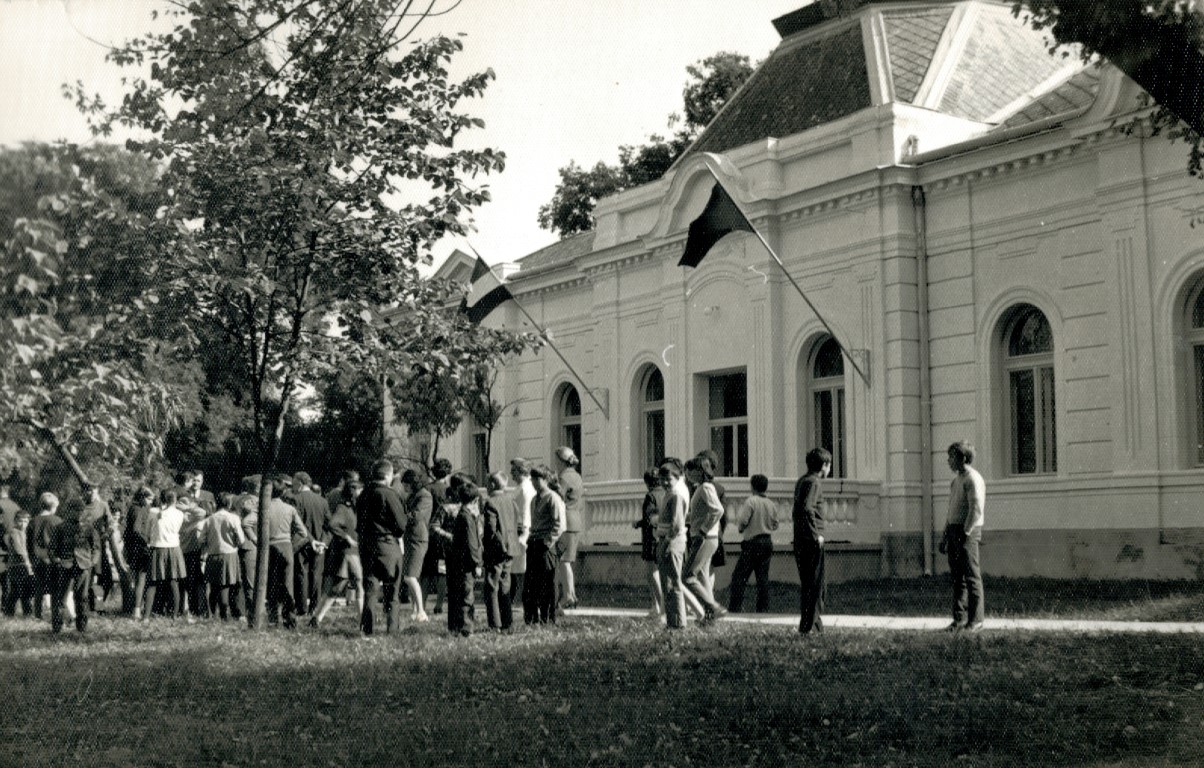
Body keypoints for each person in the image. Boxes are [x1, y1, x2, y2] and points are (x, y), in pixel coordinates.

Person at [356, 459, 407, 635]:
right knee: (392, 591)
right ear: (388, 475)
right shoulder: (389, 494)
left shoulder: (363, 494)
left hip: (367, 545)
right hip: (387, 545)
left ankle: (366, 629)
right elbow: (401, 525)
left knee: (370, 590)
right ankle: (392, 629)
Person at [941, 441, 986, 632]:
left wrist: (965, 533)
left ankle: (976, 620)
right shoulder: (956, 480)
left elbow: (975, 509)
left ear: (963, 458)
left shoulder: (972, 479)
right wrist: (945, 535)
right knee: (957, 578)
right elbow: (951, 511)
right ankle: (959, 619)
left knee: (971, 576)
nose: (948, 461)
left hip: (967, 532)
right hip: (953, 531)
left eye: (952, 456)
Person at [310, 478, 364, 628]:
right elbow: (332, 524)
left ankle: (316, 618)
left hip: (353, 552)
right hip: (348, 553)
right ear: (353, 491)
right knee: (350, 586)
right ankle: (362, 622)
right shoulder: (343, 508)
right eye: (359, 490)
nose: (362, 493)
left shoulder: (355, 508)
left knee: (342, 587)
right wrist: (346, 537)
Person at [727, 474, 779, 613]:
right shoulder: (770, 503)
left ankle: (735, 607)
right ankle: (763, 609)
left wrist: (741, 529)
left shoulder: (751, 501)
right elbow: (775, 524)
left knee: (739, 576)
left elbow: (743, 520)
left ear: (752, 486)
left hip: (752, 542)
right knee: (762, 578)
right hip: (767, 541)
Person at [683, 458, 727, 623]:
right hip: (706, 538)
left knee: (687, 576)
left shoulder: (705, 487)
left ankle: (714, 607)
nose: (687, 474)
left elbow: (717, 510)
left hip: (704, 538)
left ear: (699, 471)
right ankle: (710, 617)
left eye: (690, 470)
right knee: (702, 577)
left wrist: (702, 530)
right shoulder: (700, 488)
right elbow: (698, 515)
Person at [47, 500, 102, 633]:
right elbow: (52, 549)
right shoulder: (60, 528)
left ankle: (81, 628)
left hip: (83, 567)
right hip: (65, 567)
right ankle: (57, 628)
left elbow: (96, 548)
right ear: (69, 511)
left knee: (82, 598)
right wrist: (57, 561)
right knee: (60, 598)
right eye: (75, 510)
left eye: (81, 511)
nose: (78, 513)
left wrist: (92, 562)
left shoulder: (89, 529)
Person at [263, 474, 309, 629]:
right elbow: (303, 533)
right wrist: (292, 546)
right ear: (283, 493)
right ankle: (289, 620)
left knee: (271, 584)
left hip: (269, 547)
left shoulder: (264, 508)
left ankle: (272, 619)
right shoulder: (290, 509)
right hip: (286, 547)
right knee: (288, 585)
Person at [793, 447, 831, 635]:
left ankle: (811, 626)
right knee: (816, 586)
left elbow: (797, 511)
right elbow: (808, 509)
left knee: (808, 585)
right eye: (828, 465)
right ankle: (811, 627)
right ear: (824, 465)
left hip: (800, 540)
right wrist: (816, 535)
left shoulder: (802, 481)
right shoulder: (815, 482)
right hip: (812, 541)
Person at [524, 464, 564, 625]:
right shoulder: (534, 499)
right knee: (531, 584)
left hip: (545, 545)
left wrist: (548, 541)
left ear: (546, 479)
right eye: (532, 479)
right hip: (533, 542)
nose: (534, 482)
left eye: (537, 479)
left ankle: (548, 618)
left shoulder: (552, 498)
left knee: (547, 583)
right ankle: (533, 618)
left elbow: (559, 524)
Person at [139, 489, 186, 621]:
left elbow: (148, 532)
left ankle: (146, 617)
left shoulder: (153, 512)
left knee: (152, 583)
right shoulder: (180, 514)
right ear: (175, 500)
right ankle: (174, 616)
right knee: (173, 581)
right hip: (173, 548)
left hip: (158, 548)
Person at [446, 480, 484, 636]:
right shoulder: (467, 517)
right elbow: (471, 543)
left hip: (457, 561)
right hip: (466, 563)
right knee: (467, 596)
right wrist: (477, 563)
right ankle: (466, 628)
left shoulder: (461, 514)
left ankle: (455, 626)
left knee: (457, 594)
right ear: (475, 500)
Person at [655, 458, 690, 629]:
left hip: (672, 542)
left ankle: (678, 624)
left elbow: (677, 524)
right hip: (667, 540)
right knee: (667, 585)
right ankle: (673, 622)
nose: (665, 483)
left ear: (677, 478)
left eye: (668, 479)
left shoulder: (676, 495)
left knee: (673, 585)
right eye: (662, 479)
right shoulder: (669, 494)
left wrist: (665, 542)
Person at [482, 472, 518, 632]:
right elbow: (517, 523)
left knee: (491, 585)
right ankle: (507, 622)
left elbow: (490, 528)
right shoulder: (511, 501)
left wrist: (487, 545)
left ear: (492, 484)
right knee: (505, 584)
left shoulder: (490, 502)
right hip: (510, 548)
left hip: (496, 549)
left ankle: (495, 624)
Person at [291, 472, 330, 617]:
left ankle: (302, 607)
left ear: (300, 483)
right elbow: (329, 525)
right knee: (317, 575)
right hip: (320, 543)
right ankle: (314, 607)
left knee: (302, 573)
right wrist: (323, 542)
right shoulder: (323, 501)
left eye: (294, 483)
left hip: (303, 542)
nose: (293, 487)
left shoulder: (295, 500)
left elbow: (298, 524)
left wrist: (311, 540)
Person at [203, 492, 246, 621]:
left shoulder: (210, 519)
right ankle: (224, 614)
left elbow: (201, 539)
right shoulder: (233, 518)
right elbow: (241, 539)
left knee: (215, 586)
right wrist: (234, 543)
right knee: (227, 585)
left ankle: (212, 613)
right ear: (229, 503)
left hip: (213, 554)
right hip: (229, 554)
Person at [554, 446, 584, 610]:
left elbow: (559, 499)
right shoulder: (577, 476)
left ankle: (568, 596)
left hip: (566, 520)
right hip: (576, 519)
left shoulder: (563, 477)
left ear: (561, 461)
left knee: (564, 560)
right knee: (568, 560)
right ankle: (571, 594)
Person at [399, 469, 431, 622]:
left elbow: (416, 516)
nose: (404, 487)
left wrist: (398, 518)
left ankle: (422, 611)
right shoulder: (413, 496)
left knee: (410, 576)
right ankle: (415, 610)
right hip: (410, 538)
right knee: (410, 576)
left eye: (405, 484)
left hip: (418, 538)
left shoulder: (424, 496)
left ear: (412, 483)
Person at [422, 458, 453, 615]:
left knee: (426, 571)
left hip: (428, 533)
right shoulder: (449, 489)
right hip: (444, 535)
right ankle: (439, 604)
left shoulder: (427, 488)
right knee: (442, 570)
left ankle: (422, 604)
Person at [633, 468, 665, 619]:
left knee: (651, 573)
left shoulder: (650, 496)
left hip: (650, 538)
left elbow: (648, 517)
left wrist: (637, 524)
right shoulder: (666, 493)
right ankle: (658, 606)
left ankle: (658, 606)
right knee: (659, 572)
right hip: (662, 536)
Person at [28, 492, 63, 620]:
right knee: (55, 587)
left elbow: (29, 543)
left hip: (37, 558)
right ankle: (56, 615)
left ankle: (38, 614)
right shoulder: (57, 520)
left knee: (39, 586)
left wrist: (32, 559)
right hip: (53, 559)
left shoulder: (32, 522)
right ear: (53, 506)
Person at [508, 458, 534, 609]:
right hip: (517, 530)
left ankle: (521, 597)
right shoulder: (521, 487)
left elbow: (525, 513)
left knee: (521, 568)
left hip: (522, 531)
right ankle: (519, 596)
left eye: (514, 472)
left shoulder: (525, 489)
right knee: (517, 567)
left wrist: (523, 535)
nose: (511, 475)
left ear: (521, 471)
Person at [179, 493, 210, 620]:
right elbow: (201, 512)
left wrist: (184, 507)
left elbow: (202, 512)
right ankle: (197, 610)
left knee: (192, 583)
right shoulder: (189, 519)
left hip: (186, 553)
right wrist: (187, 507)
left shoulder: (187, 518)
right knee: (193, 583)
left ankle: (196, 609)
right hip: (190, 553)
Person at [125, 487, 154, 620]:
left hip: (133, 547)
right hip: (139, 547)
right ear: (142, 497)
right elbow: (136, 530)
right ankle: (136, 610)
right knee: (141, 580)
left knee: (138, 580)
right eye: (149, 499)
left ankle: (135, 607)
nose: (150, 502)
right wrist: (147, 542)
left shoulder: (135, 507)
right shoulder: (137, 509)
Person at [2, 510, 34, 617]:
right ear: (15, 521)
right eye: (21, 521)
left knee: (22, 591)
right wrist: (28, 564)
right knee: (18, 591)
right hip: (17, 566)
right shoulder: (14, 532)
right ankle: (12, 612)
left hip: (22, 565)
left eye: (26, 521)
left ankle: (19, 613)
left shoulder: (24, 533)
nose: (24, 524)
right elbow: (19, 550)